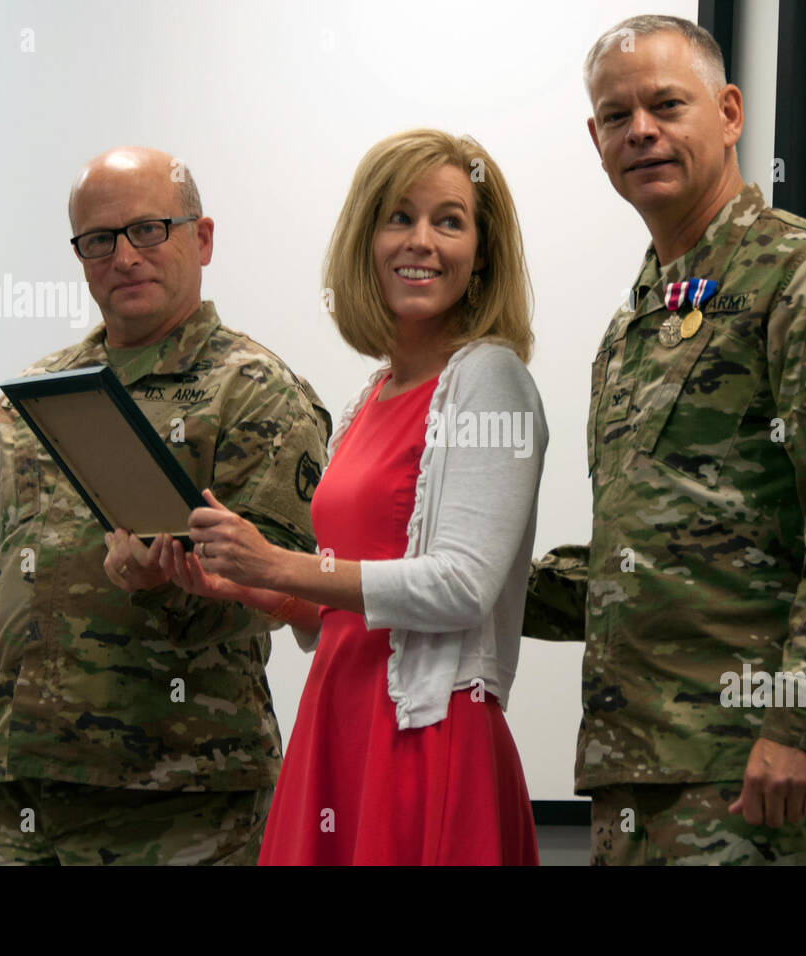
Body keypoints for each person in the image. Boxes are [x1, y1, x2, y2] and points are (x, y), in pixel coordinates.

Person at [523, 15, 806, 865]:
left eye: (667, 104)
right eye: (615, 116)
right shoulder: (640, 317)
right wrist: (431, 584)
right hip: (636, 773)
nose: (641, 131)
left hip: (758, 776)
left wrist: (801, 721)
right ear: (595, 140)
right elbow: (646, 557)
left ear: (731, 112)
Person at [0, 146, 330, 865]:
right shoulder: (29, 402)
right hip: (22, 802)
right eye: (99, 240)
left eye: (149, 229)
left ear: (202, 237)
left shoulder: (254, 392)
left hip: (186, 809)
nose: (124, 256)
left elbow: (284, 589)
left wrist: (166, 588)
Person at [159, 129, 546, 865]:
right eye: (398, 217)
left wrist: (278, 565)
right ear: (365, 240)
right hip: (339, 724)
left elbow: (460, 587)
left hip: (427, 742)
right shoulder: (370, 397)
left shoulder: (491, 381)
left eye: (450, 221)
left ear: (484, 252)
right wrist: (250, 585)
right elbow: (342, 616)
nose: (421, 241)